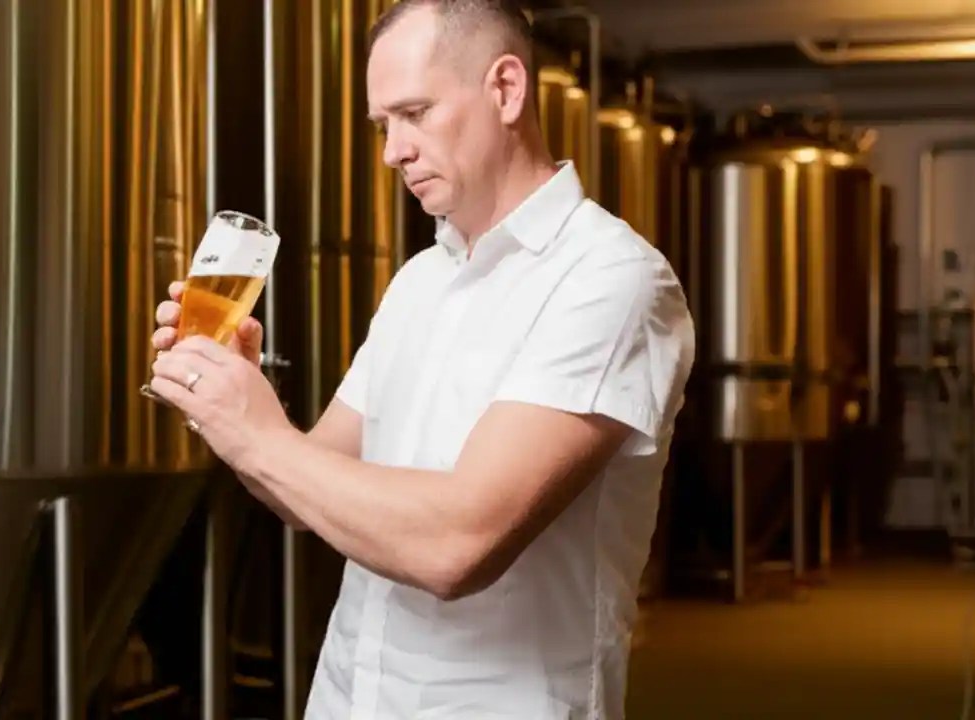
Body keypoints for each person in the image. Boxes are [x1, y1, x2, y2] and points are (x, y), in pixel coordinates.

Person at [147, 0, 695, 717]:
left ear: (506, 89)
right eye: (383, 125)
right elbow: (305, 488)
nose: (392, 152)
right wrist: (228, 401)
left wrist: (258, 435)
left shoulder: (609, 280)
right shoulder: (420, 281)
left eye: (414, 113)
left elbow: (458, 545)